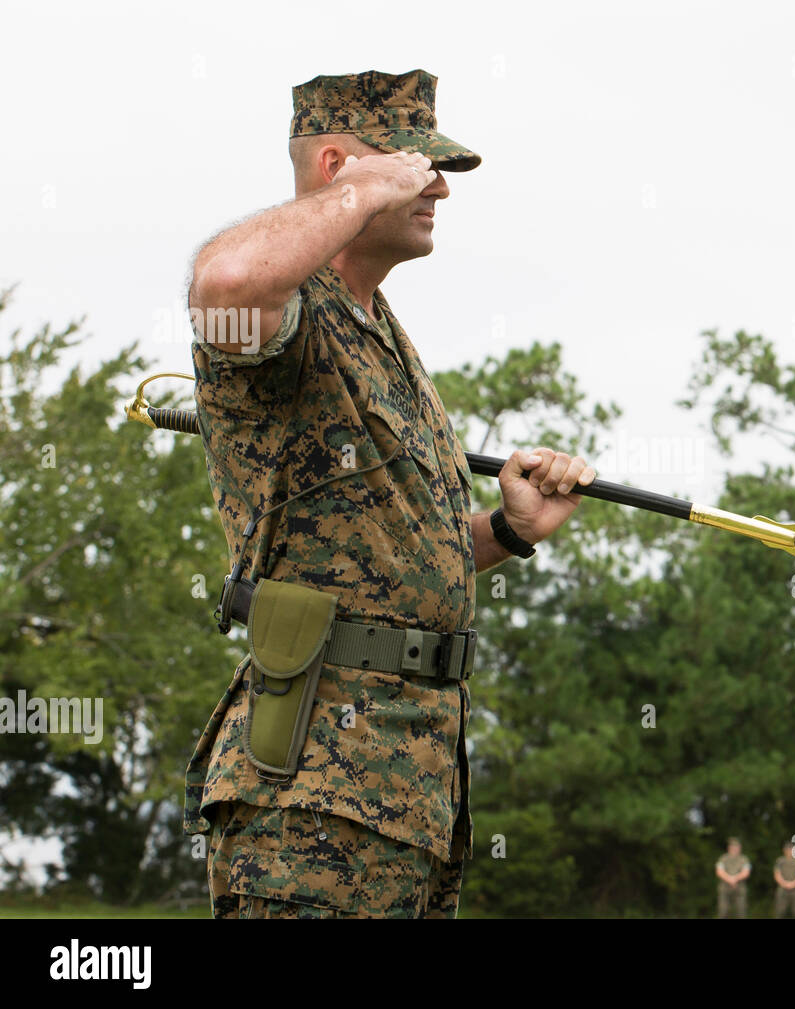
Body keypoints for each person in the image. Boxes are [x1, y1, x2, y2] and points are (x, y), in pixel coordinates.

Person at [182, 68, 594, 918]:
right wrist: (359, 191)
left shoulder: (383, 333)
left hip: (412, 795)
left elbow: (390, 561)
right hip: (311, 793)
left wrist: (506, 532)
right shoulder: (289, 318)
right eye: (415, 166)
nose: (438, 185)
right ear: (337, 164)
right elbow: (222, 285)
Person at [715, 838, 751, 917]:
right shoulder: (723, 858)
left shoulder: (744, 859)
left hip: (740, 889)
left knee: (741, 911)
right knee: (723, 911)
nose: (734, 848)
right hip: (725, 888)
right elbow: (719, 871)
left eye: (736, 846)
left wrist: (735, 879)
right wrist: (729, 879)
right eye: (733, 846)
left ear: (740, 848)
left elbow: (746, 872)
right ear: (729, 848)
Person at [772, 842, 795, 918]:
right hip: (782, 888)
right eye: (787, 849)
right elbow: (777, 874)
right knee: (779, 912)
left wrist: (793, 884)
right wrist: (784, 884)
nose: (789, 851)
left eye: (791, 849)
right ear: (784, 850)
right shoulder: (780, 861)